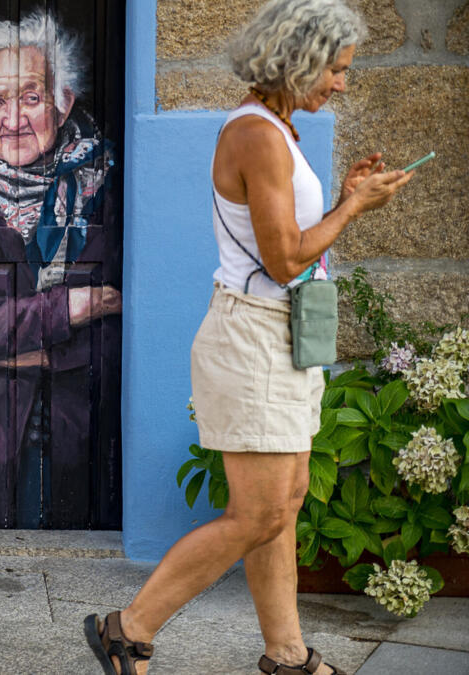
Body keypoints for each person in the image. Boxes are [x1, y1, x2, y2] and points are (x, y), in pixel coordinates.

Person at [83, 1, 412, 673]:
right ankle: (127, 627)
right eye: (336, 70)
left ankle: (286, 655)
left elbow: (285, 238)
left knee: (282, 504)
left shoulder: (280, 129)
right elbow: (284, 259)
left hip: (279, 334)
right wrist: (354, 207)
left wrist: (340, 198)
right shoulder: (257, 133)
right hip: (254, 338)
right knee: (258, 513)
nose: (341, 84)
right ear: (298, 61)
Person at [0, 9, 121, 528]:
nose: (13, 120)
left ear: (64, 101)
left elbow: (126, 314)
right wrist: (69, 310)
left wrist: (22, 349)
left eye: (31, 98)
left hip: (84, 429)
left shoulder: (106, 185)